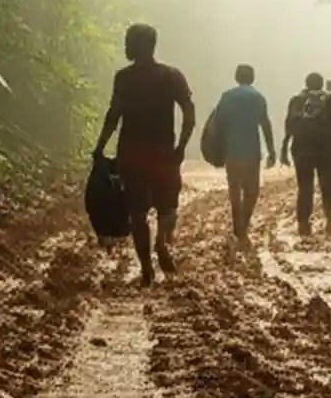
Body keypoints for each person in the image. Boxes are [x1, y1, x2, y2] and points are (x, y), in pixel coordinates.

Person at [92, 24, 195, 286]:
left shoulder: (124, 78)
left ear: (141, 45)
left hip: (132, 155)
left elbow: (113, 115)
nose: (125, 47)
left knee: (137, 212)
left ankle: (147, 267)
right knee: (168, 206)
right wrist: (181, 146)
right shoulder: (172, 76)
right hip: (163, 153)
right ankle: (161, 243)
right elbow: (189, 113)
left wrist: (100, 147)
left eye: (128, 42)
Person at [211, 64, 276, 248]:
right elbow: (265, 124)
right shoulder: (258, 98)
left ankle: (237, 225)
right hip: (252, 151)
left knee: (234, 188)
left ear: (236, 77)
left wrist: (216, 149)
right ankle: (244, 225)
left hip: (232, 151)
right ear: (253, 78)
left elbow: (217, 123)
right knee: (251, 190)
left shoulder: (227, 96)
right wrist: (271, 150)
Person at [281, 72, 331, 235]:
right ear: (321, 84)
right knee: (328, 187)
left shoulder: (297, 101)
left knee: (305, 187)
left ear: (306, 84)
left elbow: (289, 126)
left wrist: (284, 149)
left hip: (302, 150)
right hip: (327, 151)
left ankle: (303, 224)